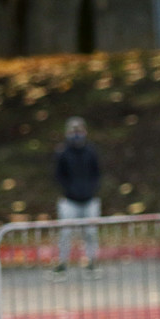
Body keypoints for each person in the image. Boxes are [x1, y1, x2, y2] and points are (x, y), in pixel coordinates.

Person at [53, 116, 102, 275]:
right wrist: (70, 190)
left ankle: (92, 262)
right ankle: (62, 263)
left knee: (90, 233)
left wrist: (91, 189)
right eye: (73, 131)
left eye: (78, 130)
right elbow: (59, 175)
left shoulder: (91, 151)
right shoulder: (63, 153)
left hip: (89, 199)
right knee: (66, 233)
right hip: (70, 200)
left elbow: (97, 173)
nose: (76, 134)